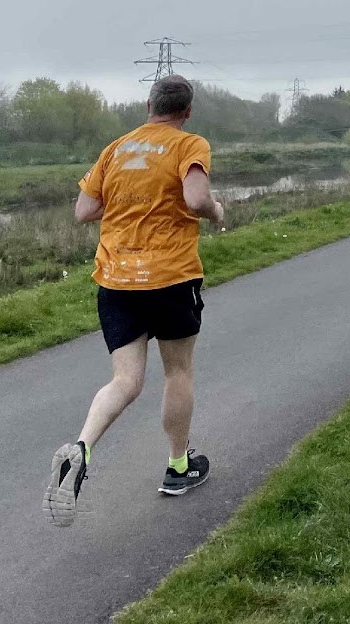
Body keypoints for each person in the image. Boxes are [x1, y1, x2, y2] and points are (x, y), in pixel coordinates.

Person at [44, 75, 223, 527]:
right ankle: (178, 467)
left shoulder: (117, 148)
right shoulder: (189, 144)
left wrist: (130, 204)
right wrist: (216, 211)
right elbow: (196, 198)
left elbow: (84, 210)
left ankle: (81, 448)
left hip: (117, 280)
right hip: (170, 278)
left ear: (148, 105)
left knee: (125, 380)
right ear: (187, 112)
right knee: (178, 371)